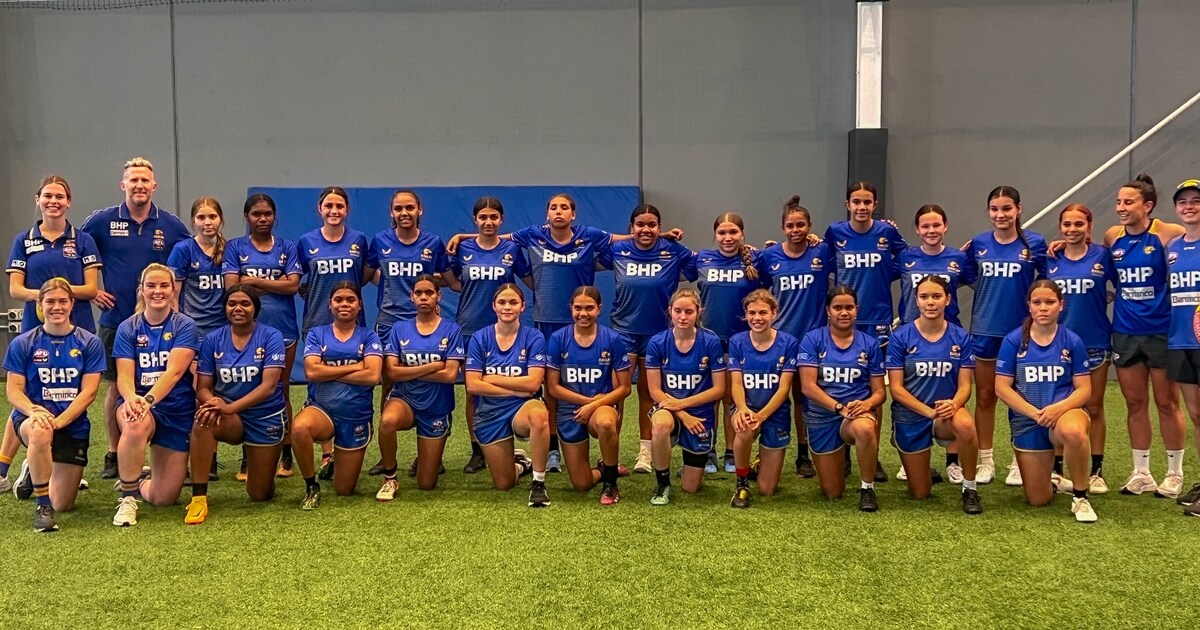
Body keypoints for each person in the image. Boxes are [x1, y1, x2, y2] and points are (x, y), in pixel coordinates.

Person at [81, 157, 190, 481]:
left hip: (164, 323)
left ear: (154, 186)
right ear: (123, 185)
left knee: (170, 380)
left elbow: (188, 261)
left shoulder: (171, 225)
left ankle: (168, 449)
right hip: (117, 320)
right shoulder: (101, 222)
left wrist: (180, 306)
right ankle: (114, 454)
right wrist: (92, 290)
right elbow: (77, 251)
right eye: (134, 180)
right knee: (117, 385)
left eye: (145, 180)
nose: (139, 185)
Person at [1, 176, 101, 492]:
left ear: (69, 201)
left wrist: (59, 295)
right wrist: (46, 298)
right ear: (38, 200)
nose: (53, 201)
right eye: (47, 196)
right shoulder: (24, 240)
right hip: (36, 325)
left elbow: (91, 289)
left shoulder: (83, 239)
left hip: (78, 324)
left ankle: (54, 462)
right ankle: (3, 469)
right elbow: (15, 289)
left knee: (70, 393)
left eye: (60, 196)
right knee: (29, 396)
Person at [1102, 175, 1187, 498]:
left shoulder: (1168, 233)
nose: (1121, 208)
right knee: (1135, 403)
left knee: (1167, 403)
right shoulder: (1113, 237)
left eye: (1128, 202)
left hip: (1162, 331)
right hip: (1125, 331)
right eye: (1119, 202)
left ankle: (1174, 473)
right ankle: (1141, 472)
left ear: (1147, 206)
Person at [599, 204, 695, 475]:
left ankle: (646, 453)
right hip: (623, 332)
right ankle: (611, 456)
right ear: (631, 228)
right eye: (640, 224)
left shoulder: (673, 251)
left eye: (652, 225)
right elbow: (593, 249)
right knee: (618, 394)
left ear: (659, 227)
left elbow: (701, 263)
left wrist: (666, 237)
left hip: (658, 334)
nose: (646, 229)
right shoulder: (618, 250)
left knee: (648, 394)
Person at [3, 279, 104, 532]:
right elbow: (13, 389)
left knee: (64, 503)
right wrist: (33, 410)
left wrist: (60, 422)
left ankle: (32, 470)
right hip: (33, 421)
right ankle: (42, 506)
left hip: (72, 424)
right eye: (49, 301)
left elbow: (89, 393)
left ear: (72, 304)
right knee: (40, 431)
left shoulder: (89, 343)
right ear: (39, 305)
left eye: (62, 301)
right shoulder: (24, 342)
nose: (56, 307)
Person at [963, 185, 1047, 486]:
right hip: (985, 329)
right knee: (985, 396)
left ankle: (1018, 460)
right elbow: (967, 275)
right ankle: (985, 460)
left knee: (1021, 397)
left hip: (1022, 332)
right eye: (995, 209)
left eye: (1007, 208)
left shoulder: (1035, 243)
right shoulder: (979, 243)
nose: (1001, 214)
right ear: (989, 212)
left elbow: (1049, 278)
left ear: (1018, 210)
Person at [824, 181, 907, 483]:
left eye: (867, 202)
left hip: (877, 321)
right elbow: (822, 259)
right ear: (847, 204)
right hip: (842, 319)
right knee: (842, 385)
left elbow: (910, 260)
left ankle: (871, 452)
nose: (861, 207)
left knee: (874, 390)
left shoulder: (887, 232)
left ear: (875, 205)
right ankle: (842, 453)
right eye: (856, 201)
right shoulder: (835, 232)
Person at [994, 280, 1097, 523]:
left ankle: (1081, 497)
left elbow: (1084, 390)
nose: (1043, 308)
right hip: (1029, 420)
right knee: (1037, 500)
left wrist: (1058, 409)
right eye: (1037, 302)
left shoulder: (1071, 341)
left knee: (1073, 432)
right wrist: (1035, 414)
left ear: (1061, 305)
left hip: (1063, 414)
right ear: (1028, 305)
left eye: (1049, 302)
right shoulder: (1013, 341)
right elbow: (1001, 388)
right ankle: (1054, 479)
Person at [442, 197, 531, 475]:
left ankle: (505, 443)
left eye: (494, 217)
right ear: (475, 220)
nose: (488, 222)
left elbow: (529, 280)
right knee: (473, 392)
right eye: (483, 217)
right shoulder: (463, 248)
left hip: (505, 330)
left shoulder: (512, 249)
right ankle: (477, 449)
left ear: (501, 220)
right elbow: (454, 282)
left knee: (510, 384)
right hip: (469, 327)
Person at [185, 285, 288, 525]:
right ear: (225, 308)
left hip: (265, 416)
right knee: (203, 419)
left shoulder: (271, 336)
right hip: (230, 416)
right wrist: (213, 403)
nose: (238, 308)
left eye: (245, 303)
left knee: (259, 494)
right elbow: (202, 387)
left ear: (255, 308)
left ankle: (264, 469)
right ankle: (199, 497)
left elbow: (269, 386)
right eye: (232, 304)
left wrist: (230, 407)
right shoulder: (213, 339)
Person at [110, 264, 200, 527]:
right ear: (141, 290)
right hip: (136, 403)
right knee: (135, 423)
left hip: (175, 408)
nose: (157, 291)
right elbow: (124, 375)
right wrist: (132, 400)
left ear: (173, 290)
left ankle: (138, 479)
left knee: (164, 498)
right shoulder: (128, 327)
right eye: (151, 285)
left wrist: (148, 401)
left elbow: (174, 372)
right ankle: (128, 498)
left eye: (164, 285)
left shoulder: (185, 325)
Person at [886, 276, 982, 514]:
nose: (930, 302)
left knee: (967, 425)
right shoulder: (901, 337)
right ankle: (919, 466)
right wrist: (928, 412)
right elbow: (896, 389)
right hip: (912, 415)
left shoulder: (960, 337)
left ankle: (970, 488)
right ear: (916, 301)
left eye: (937, 296)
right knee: (920, 493)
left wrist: (954, 404)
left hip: (945, 414)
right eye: (924, 297)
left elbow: (965, 386)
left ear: (947, 299)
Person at [223, 193, 303, 479]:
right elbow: (233, 289)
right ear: (247, 217)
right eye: (256, 214)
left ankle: (286, 453)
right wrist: (275, 283)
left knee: (280, 389)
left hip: (283, 328)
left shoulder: (287, 247)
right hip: (246, 331)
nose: (262, 218)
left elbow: (293, 286)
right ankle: (249, 453)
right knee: (249, 389)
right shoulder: (234, 247)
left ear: (274, 216)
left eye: (268, 213)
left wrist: (254, 282)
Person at [365, 190, 451, 454]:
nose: (404, 213)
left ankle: (431, 446)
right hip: (389, 321)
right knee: (388, 384)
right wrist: (391, 286)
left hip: (426, 322)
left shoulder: (433, 242)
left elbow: (448, 278)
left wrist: (427, 290)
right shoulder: (380, 240)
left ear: (419, 210)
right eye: (399, 208)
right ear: (392, 212)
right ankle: (385, 453)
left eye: (409, 208)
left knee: (434, 382)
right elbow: (366, 275)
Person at [297, 186, 370, 479]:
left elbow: (364, 275)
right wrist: (308, 289)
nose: (334, 211)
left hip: (352, 323)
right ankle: (328, 454)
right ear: (320, 209)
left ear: (347, 210)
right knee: (320, 387)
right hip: (316, 320)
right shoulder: (306, 242)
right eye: (329, 206)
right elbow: (300, 276)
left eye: (339, 206)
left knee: (353, 387)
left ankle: (346, 446)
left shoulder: (359, 241)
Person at [291, 282, 383, 509]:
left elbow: (372, 376)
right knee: (300, 428)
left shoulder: (369, 336)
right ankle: (311, 485)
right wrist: (356, 366)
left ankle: (334, 462)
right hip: (322, 410)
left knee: (343, 490)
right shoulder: (316, 334)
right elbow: (312, 371)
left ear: (360, 305)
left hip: (356, 416)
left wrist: (328, 372)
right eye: (339, 299)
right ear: (329, 304)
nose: (344, 304)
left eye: (350, 300)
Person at [759, 197, 833, 478]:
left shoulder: (822, 251)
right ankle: (764, 449)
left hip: (812, 339)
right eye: (790, 225)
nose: (795, 229)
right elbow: (758, 284)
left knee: (805, 397)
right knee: (770, 395)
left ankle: (805, 453)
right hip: (778, 339)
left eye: (801, 225)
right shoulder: (771, 256)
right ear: (782, 228)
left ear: (810, 227)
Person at [1046, 204, 1114, 494]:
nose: (1072, 230)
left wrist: (1107, 295)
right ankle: (1057, 468)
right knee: (1058, 406)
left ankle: (1096, 470)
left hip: (1095, 343)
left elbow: (1123, 285)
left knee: (1094, 406)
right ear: (1060, 227)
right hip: (1057, 346)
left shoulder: (1103, 256)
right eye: (1067, 225)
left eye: (1078, 224)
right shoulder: (1051, 259)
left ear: (1089, 227)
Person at [798, 286, 886, 512]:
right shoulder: (812, 339)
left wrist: (866, 404)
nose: (843, 312)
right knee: (832, 492)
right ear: (828, 310)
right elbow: (807, 387)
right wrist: (838, 408)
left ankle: (868, 487)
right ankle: (840, 458)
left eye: (849, 307)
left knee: (865, 428)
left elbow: (880, 393)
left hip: (855, 414)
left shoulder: (870, 343)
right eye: (838, 307)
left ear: (857, 310)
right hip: (823, 416)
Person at [464, 283, 551, 507]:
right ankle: (521, 464)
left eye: (513, 302)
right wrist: (515, 389)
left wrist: (491, 378)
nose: (507, 307)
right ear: (494, 306)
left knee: (539, 414)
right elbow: (473, 385)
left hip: (521, 408)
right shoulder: (479, 338)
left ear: (522, 306)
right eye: (502, 302)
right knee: (504, 483)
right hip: (490, 413)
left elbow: (533, 383)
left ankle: (539, 483)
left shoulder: (534, 337)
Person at [378, 276, 465, 497]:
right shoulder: (399, 329)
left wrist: (411, 371)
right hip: (405, 399)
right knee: (387, 421)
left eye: (429, 293)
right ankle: (390, 477)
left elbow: (450, 375)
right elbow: (392, 372)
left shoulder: (451, 330)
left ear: (439, 296)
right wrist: (434, 365)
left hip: (437, 405)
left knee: (426, 484)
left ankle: (427, 456)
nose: (424, 297)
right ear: (412, 297)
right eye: (419, 293)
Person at [546, 287, 632, 505]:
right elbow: (553, 388)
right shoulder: (558, 339)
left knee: (605, 422)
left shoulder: (612, 339)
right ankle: (602, 470)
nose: (583, 313)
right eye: (578, 308)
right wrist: (588, 403)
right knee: (582, 484)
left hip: (601, 408)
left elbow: (624, 388)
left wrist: (596, 406)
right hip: (570, 411)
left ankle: (611, 482)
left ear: (599, 309)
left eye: (589, 308)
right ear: (571, 309)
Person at [645, 288, 728, 505]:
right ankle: (662, 483)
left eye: (689, 311)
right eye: (678, 311)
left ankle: (689, 466)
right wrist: (682, 413)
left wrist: (684, 405)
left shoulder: (710, 341)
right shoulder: (657, 342)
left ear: (698, 312)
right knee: (660, 424)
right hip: (669, 410)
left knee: (691, 488)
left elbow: (719, 390)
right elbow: (654, 391)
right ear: (670, 311)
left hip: (699, 414)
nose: (683, 317)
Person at [695, 212, 763, 474]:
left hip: (741, 342)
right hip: (709, 340)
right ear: (715, 235)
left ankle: (732, 452)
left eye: (733, 232)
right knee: (710, 398)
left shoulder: (756, 260)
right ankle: (707, 449)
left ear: (742, 234)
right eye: (722, 233)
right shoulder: (702, 258)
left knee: (732, 400)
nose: (727, 238)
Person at [728, 290, 799, 508]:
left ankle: (758, 465)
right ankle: (741, 485)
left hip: (775, 413)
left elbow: (783, 388)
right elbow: (737, 383)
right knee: (744, 428)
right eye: (751, 313)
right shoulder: (737, 341)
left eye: (763, 312)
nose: (757, 318)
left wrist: (762, 415)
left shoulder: (788, 342)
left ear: (774, 313)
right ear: (745, 315)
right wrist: (742, 408)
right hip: (747, 409)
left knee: (767, 490)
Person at [1165, 179, 1200, 515]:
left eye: (1196, 200)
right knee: (1196, 415)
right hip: (1179, 341)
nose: (1190, 206)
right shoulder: (1173, 247)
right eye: (1183, 201)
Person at [168, 197, 228, 339]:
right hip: (193, 329)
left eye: (212, 217)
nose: (207, 222)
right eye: (201, 217)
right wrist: (176, 329)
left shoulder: (230, 249)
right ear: (193, 221)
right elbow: (172, 296)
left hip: (224, 329)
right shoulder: (183, 249)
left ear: (221, 220)